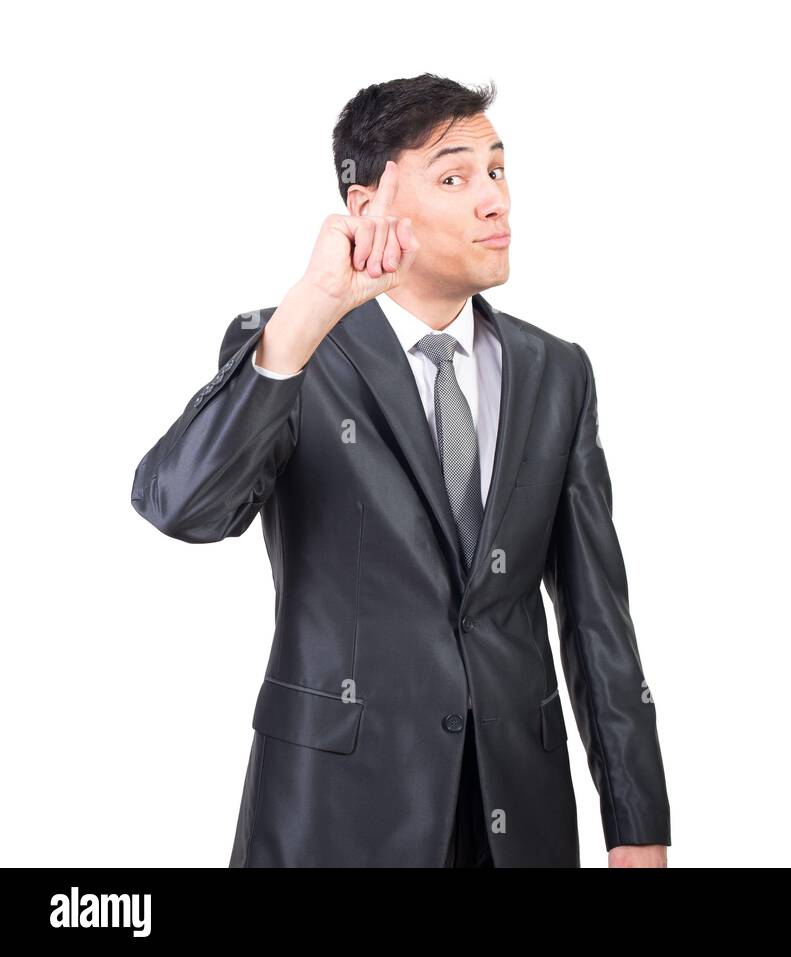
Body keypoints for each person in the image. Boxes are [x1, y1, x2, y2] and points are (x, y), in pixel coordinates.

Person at [130, 73, 670, 867]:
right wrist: (308, 312)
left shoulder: (557, 370)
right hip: (336, 817)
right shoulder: (292, 345)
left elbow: (598, 619)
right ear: (365, 207)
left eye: (496, 168)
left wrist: (637, 823)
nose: (494, 199)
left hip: (516, 814)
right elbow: (181, 505)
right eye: (454, 176)